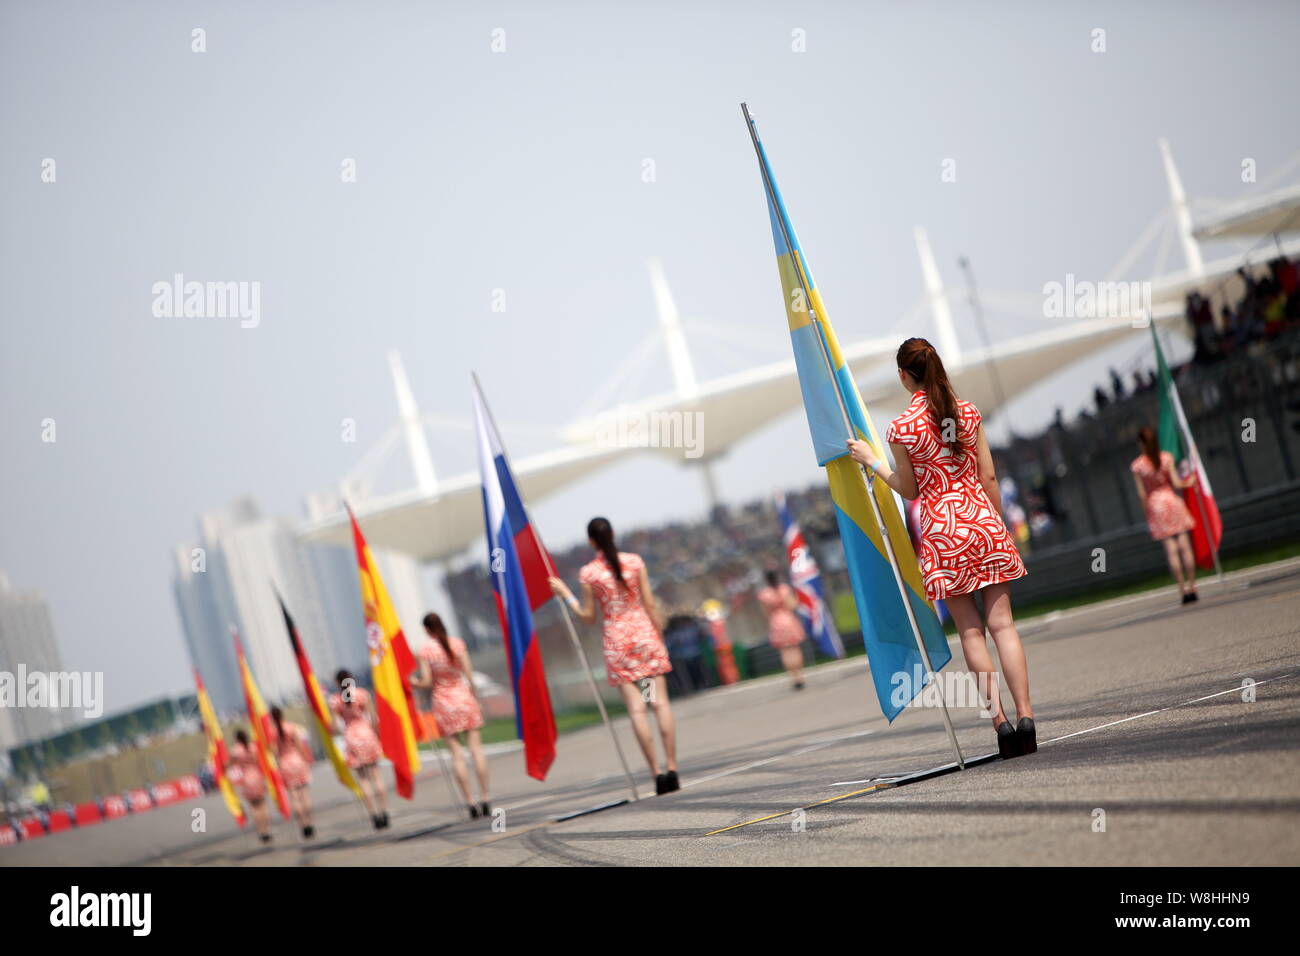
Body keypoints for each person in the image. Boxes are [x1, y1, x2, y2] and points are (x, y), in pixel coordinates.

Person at [847, 337, 1036, 758]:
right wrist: (998, 526)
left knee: (971, 632)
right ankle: (1027, 717)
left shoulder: (901, 427)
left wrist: (872, 462)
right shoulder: (966, 412)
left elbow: (909, 490)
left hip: (941, 533)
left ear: (903, 375)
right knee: (1004, 626)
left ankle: (1001, 724)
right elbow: (988, 477)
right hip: (982, 521)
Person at [549, 517, 680, 794]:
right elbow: (648, 602)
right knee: (659, 704)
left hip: (618, 641)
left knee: (637, 710)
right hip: (644, 635)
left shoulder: (589, 573)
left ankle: (656, 773)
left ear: (591, 541)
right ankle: (672, 767)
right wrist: (658, 635)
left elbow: (587, 617)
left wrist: (566, 595)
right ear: (613, 534)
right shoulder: (634, 562)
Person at [411, 612, 492, 819]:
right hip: (464, 698)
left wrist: (415, 683)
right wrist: (474, 696)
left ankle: (470, 801)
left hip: (444, 703)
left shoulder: (426, 650)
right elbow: (469, 674)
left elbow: (427, 682)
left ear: (427, 630)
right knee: (477, 751)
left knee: (457, 757)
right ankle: (485, 796)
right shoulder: (457, 644)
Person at [1131, 426, 1198, 603]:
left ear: (1141, 443)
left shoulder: (1138, 465)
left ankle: (1183, 590)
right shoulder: (1166, 458)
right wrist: (1189, 482)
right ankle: (1193, 586)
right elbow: (1176, 483)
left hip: (1156, 504)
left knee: (1172, 551)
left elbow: (1142, 494)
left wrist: (1147, 513)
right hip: (1172, 500)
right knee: (1185, 546)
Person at [329, 671, 389, 830]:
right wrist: (378, 735)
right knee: (376, 775)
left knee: (363, 779)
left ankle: (373, 815)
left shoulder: (335, 701)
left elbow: (335, 727)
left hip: (351, 737)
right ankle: (383, 811)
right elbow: (374, 718)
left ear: (337, 683)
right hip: (367, 734)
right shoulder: (362, 694)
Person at [756, 568, 806, 689]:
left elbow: (765, 613)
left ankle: (793, 677)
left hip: (776, 622)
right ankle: (799, 675)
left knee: (785, 651)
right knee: (795, 648)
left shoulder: (764, 594)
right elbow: (792, 605)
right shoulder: (784, 589)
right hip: (788, 619)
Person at [270, 706, 315, 839]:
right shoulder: (291, 727)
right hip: (297, 760)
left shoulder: (272, 733)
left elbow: (274, 752)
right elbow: (300, 747)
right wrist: (306, 759)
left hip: (284, 764)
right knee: (305, 795)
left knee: (294, 798)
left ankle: (303, 826)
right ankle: (310, 823)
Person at [229, 729, 272, 843]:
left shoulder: (236, 750)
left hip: (246, 779)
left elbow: (229, 764)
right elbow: (260, 762)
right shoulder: (253, 747)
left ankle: (261, 831)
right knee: (263, 805)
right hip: (257, 776)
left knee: (253, 807)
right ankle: (267, 830)